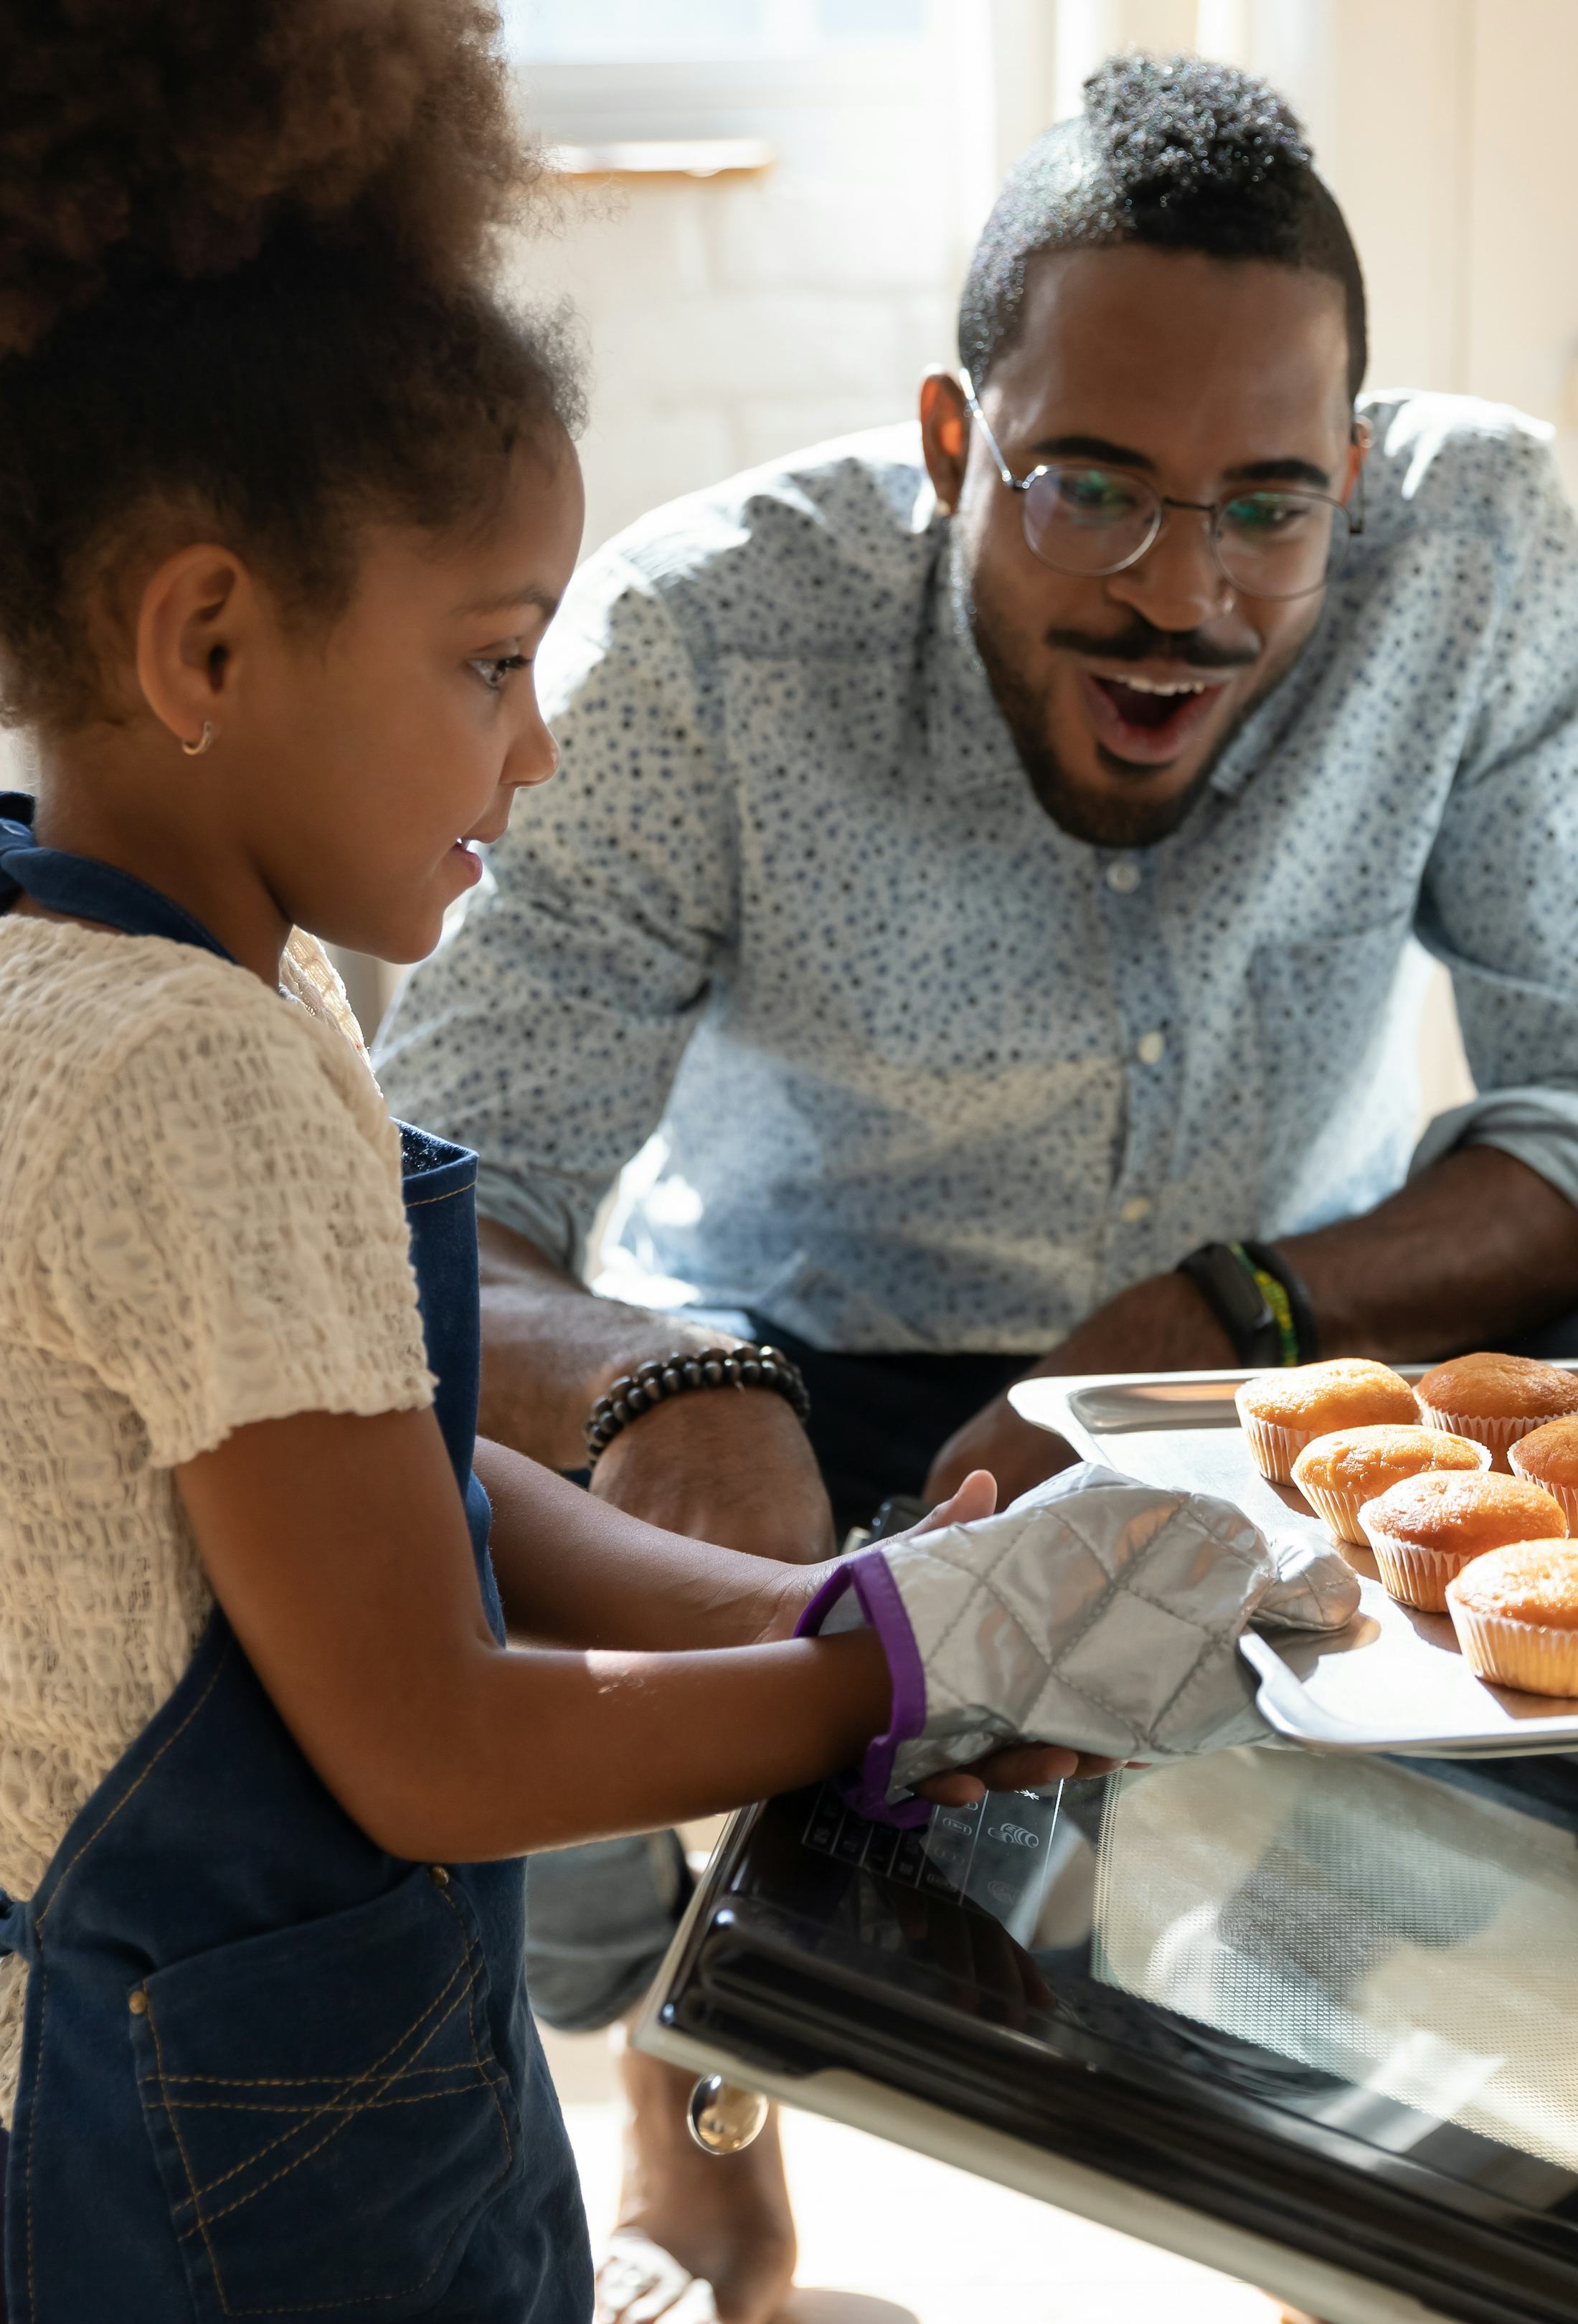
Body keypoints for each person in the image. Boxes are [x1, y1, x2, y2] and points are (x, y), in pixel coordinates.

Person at [377, 48, 1578, 2324]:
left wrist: (1218, 1319)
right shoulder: (702, 642)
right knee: (436, 1543)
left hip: (1269, 1342)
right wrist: (664, 1383)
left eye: (1269, 507)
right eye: (1092, 489)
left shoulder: (1482, 553)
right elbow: (429, 1194)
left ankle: (1362, 2124)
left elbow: (1575, 1117)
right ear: (953, 446)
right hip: (788, 1354)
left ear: (1352, 473)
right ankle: (693, 2118)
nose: (1181, 596)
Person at [0, 4, 1125, 2316]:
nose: (533, 750)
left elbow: (383, 1472)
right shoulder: (186, 1073)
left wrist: (814, 1616)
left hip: (300, 2061)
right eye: (493, 661)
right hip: (248, 2184)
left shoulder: (139, 969)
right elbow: (428, 1739)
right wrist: (897, 1684)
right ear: (205, 638)